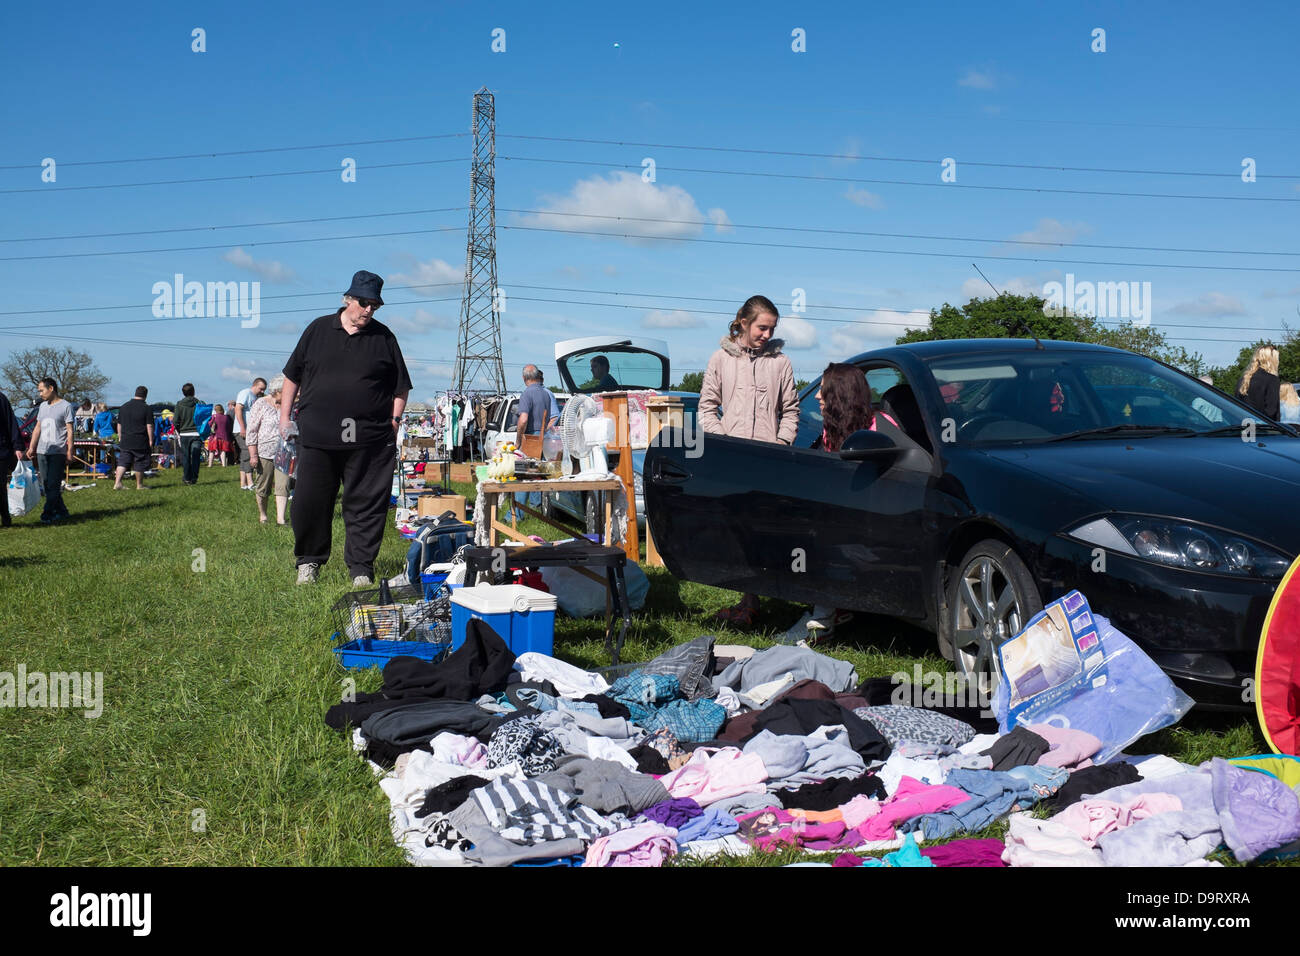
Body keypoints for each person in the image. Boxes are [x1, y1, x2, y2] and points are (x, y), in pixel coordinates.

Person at [281, 270, 412, 586]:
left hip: (369, 439)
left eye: (374, 306)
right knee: (309, 502)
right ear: (347, 299)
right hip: (317, 435)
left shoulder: (384, 338)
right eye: (364, 303)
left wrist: (393, 423)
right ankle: (309, 563)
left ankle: (361, 570)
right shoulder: (317, 330)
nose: (368, 310)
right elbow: (291, 376)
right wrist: (286, 419)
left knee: (366, 505)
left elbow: (401, 387)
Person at [700, 294, 799, 626]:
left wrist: (782, 442)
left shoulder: (781, 363)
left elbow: (791, 411)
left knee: (766, 530)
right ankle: (751, 597)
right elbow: (706, 408)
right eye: (761, 327)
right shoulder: (719, 359)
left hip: (769, 461)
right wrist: (723, 441)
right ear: (743, 322)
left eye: (772, 329)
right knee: (737, 530)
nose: (767, 335)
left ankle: (760, 596)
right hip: (732, 462)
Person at [784, 364, 898, 643]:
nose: (817, 397)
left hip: (883, 516)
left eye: (823, 390)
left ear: (840, 394)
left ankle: (821, 621)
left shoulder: (881, 426)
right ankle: (833, 609)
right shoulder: (831, 430)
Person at [25, 377, 75, 523]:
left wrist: (70, 450)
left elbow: (70, 430)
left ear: (51, 388)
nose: (40, 394)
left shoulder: (66, 406)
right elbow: (38, 428)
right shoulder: (42, 407)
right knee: (47, 484)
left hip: (57, 451)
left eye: (42, 390)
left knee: (53, 484)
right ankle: (62, 511)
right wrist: (32, 447)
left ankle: (47, 514)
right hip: (42, 451)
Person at [246, 375, 290, 525]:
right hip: (264, 452)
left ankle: (281, 519)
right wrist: (253, 455)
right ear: (277, 391)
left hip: (284, 451)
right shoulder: (260, 404)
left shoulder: (288, 405)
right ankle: (263, 515)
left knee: (283, 485)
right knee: (263, 486)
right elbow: (252, 430)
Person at [114, 386, 154, 490]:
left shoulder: (123, 407)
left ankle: (117, 483)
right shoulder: (147, 408)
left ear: (135, 393)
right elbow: (149, 425)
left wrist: (120, 437)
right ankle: (139, 485)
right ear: (145, 395)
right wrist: (150, 439)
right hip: (140, 440)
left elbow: (119, 424)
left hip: (125, 439)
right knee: (139, 461)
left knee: (123, 461)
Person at [232, 377, 267, 490]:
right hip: (242, 430)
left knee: (244, 455)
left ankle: (243, 484)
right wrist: (243, 428)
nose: (262, 392)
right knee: (248, 453)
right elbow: (238, 409)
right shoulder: (246, 393)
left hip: (247, 430)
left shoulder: (254, 397)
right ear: (255, 385)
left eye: (264, 390)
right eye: (261, 389)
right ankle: (250, 481)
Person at [0, 388, 25, 528]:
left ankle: (5, 517)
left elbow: (11, 423)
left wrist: (17, 446)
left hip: (2, 451)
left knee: (0, 487)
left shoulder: (1, 399)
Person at [1235, 345, 1280, 421]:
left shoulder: (1244, 379)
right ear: (1272, 360)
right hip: (1263, 428)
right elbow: (1271, 411)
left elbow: (1235, 405)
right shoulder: (1272, 380)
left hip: (1243, 425)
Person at [515, 364, 554, 448]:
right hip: (546, 436)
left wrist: (518, 441)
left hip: (531, 438)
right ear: (537, 376)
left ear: (524, 378)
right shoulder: (546, 394)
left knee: (530, 460)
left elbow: (523, 420)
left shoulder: (526, 394)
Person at [174, 383, 204, 485]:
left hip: (184, 434)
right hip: (197, 433)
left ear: (183, 393)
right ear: (193, 391)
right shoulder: (200, 403)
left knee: (186, 457)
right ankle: (194, 477)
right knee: (195, 457)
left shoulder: (179, 404)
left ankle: (187, 478)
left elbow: (175, 421)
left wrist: (180, 429)